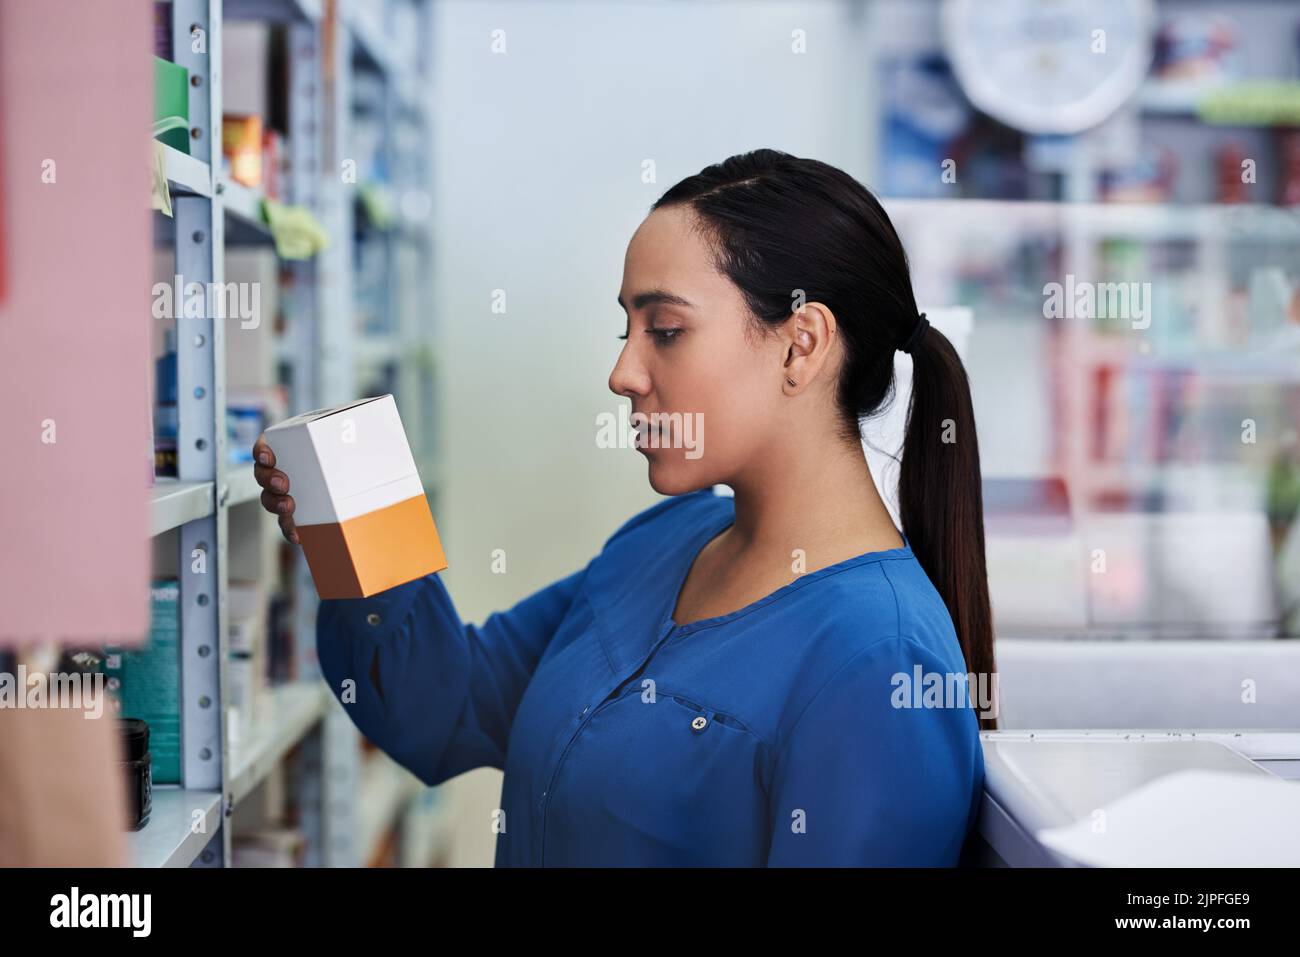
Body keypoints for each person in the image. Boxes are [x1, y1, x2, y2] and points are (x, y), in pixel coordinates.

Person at [253, 148, 994, 866]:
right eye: (626, 330)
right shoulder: (665, 541)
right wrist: (354, 514)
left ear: (801, 346)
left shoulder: (878, 662)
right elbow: (446, 710)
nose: (622, 373)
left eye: (665, 331)